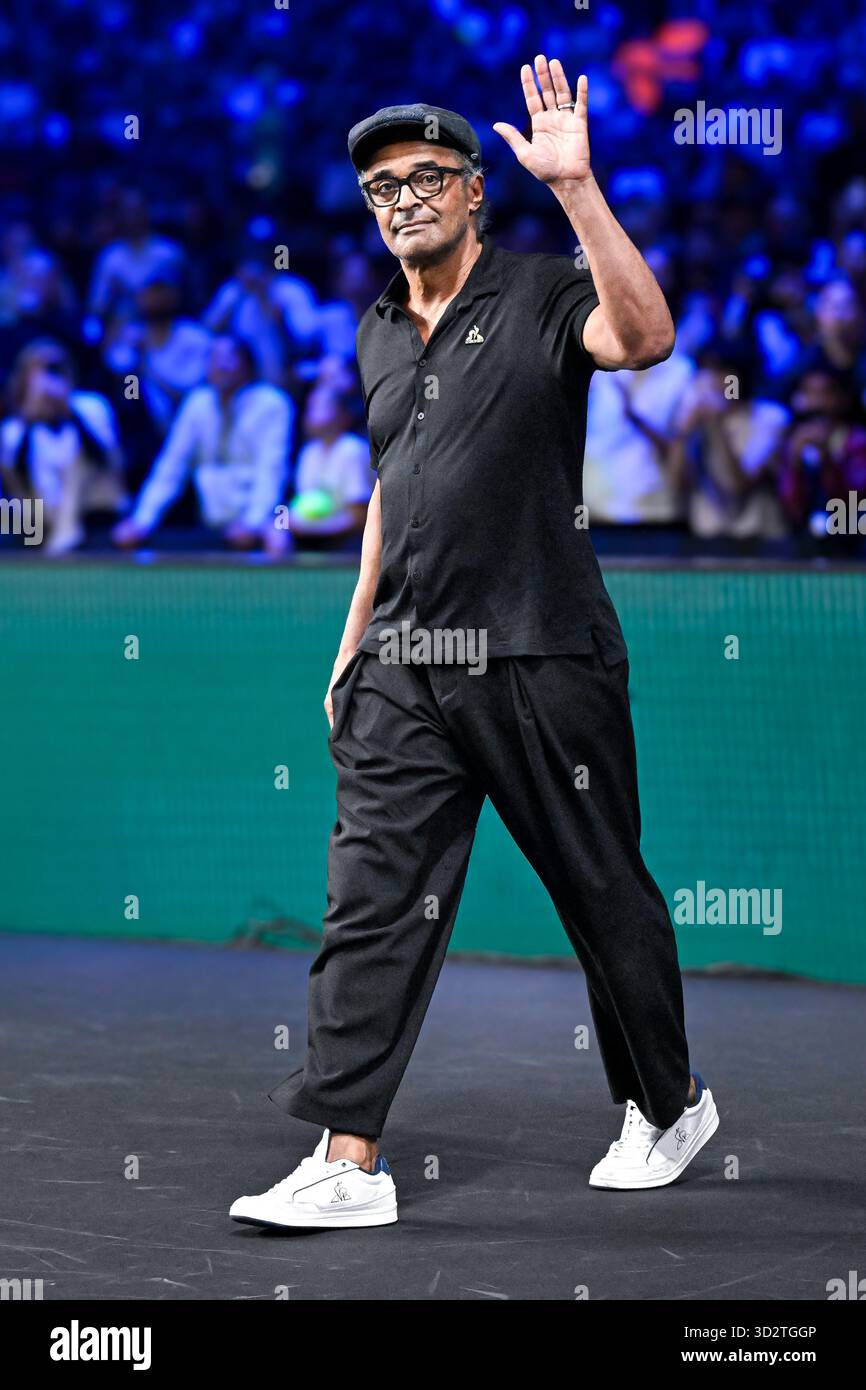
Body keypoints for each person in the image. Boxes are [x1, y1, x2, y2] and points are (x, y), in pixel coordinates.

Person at [231, 60, 719, 1233]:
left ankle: (668, 1100)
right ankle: (348, 1156)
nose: (400, 198)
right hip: (406, 664)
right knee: (371, 903)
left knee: (602, 895)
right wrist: (351, 647)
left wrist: (579, 188)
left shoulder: (547, 290)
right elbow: (392, 499)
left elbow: (643, 338)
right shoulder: (374, 335)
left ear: (471, 193)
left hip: (541, 651)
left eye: (425, 178)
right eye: (380, 186)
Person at [112, 335, 292, 554]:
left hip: (268, 514)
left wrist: (253, 522)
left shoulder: (272, 403)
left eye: (230, 358)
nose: (221, 366)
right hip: (212, 519)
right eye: (215, 358)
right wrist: (142, 519)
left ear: (248, 367)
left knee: (277, 535)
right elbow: (172, 465)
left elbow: (271, 470)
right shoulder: (197, 403)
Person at [0, 339, 126, 553]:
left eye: (55, 370)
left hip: (94, 508)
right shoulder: (14, 429)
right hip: (39, 520)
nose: (48, 381)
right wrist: (29, 420)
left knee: (78, 461)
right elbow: (15, 485)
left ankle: (67, 531)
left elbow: (110, 459)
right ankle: (62, 533)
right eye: (39, 372)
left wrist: (68, 410)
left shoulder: (91, 406)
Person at [670, 343, 789, 539]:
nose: (710, 382)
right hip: (708, 539)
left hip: (760, 539)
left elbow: (735, 485)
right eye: (706, 372)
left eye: (721, 373)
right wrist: (683, 433)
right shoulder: (696, 421)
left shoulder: (771, 418)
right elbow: (674, 483)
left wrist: (717, 425)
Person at [289, 383, 376, 547]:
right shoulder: (309, 452)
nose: (311, 414)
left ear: (344, 415)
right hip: (314, 539)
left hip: (353, 544)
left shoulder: (353, 450)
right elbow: (301, 505)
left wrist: (310, 529)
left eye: (320, 406)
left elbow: (359, 517)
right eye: (310, 407)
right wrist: (282, 525)